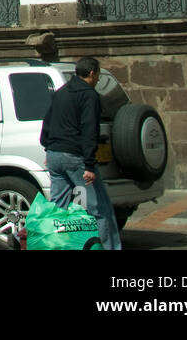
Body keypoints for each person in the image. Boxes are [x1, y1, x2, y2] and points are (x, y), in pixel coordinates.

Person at [41, 56, 122, 250]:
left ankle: (57, 247)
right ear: (92, 73)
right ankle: (109, 248)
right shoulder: (89, 95)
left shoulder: (61, 93)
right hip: (75, 158)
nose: (98, 79)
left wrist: (48, 148)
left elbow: (47, 123)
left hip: (54, 155)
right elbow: (89, 130)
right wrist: (90, 164)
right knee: (99, 208)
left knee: (59, 208)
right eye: (99, 75)